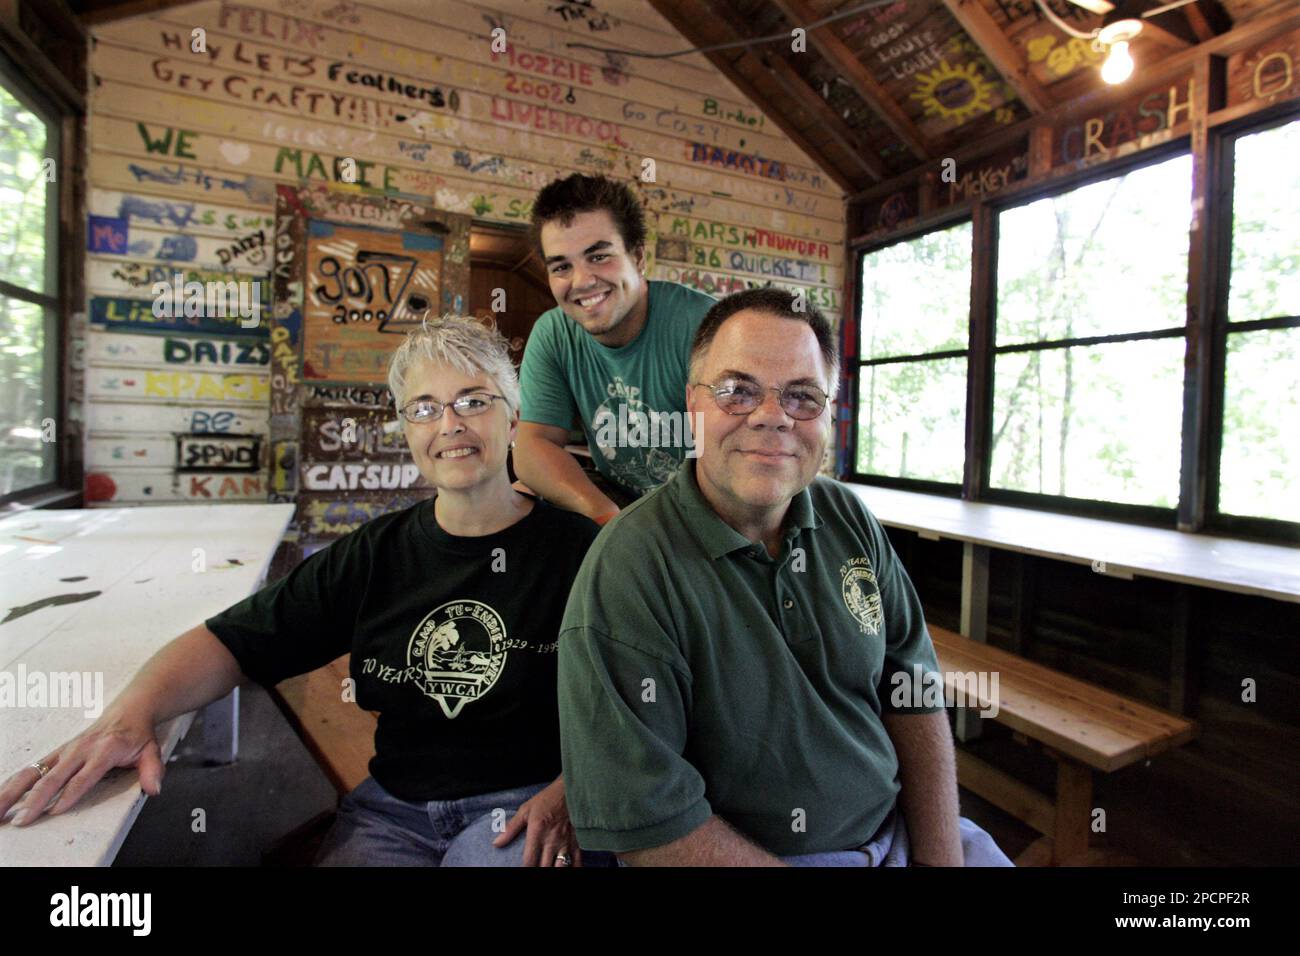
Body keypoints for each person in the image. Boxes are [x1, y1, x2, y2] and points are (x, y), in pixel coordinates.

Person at [1, 315, 608, 868]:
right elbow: (234, 641)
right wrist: (130, 715)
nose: (449, 424)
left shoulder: (584, 553)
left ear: (515, 415)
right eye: (423, 408)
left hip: (531, 802)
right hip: (394, 808)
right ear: (405, 427)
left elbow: (646, 698)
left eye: (473, 401)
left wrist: (573, 791)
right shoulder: (376, 554)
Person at [556, 288, 1015, 867]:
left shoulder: (849, 517)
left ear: (828, 413)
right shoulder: (630, 567)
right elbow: (651, 826)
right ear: (692, 404)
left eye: (802, 396)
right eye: (737, 390)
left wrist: (939, 857)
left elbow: (914, 688)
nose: (772, 415)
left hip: (898, 830)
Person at [513, 173, 715, 524]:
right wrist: (606, 517)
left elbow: (745, 455)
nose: (582, 281)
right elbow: (532, 449)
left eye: (599, 256)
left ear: (637, 256)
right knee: (517, 500)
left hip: (710, 511)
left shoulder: (706, 326)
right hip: (624, 504)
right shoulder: (553, 333)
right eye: (562, 266)